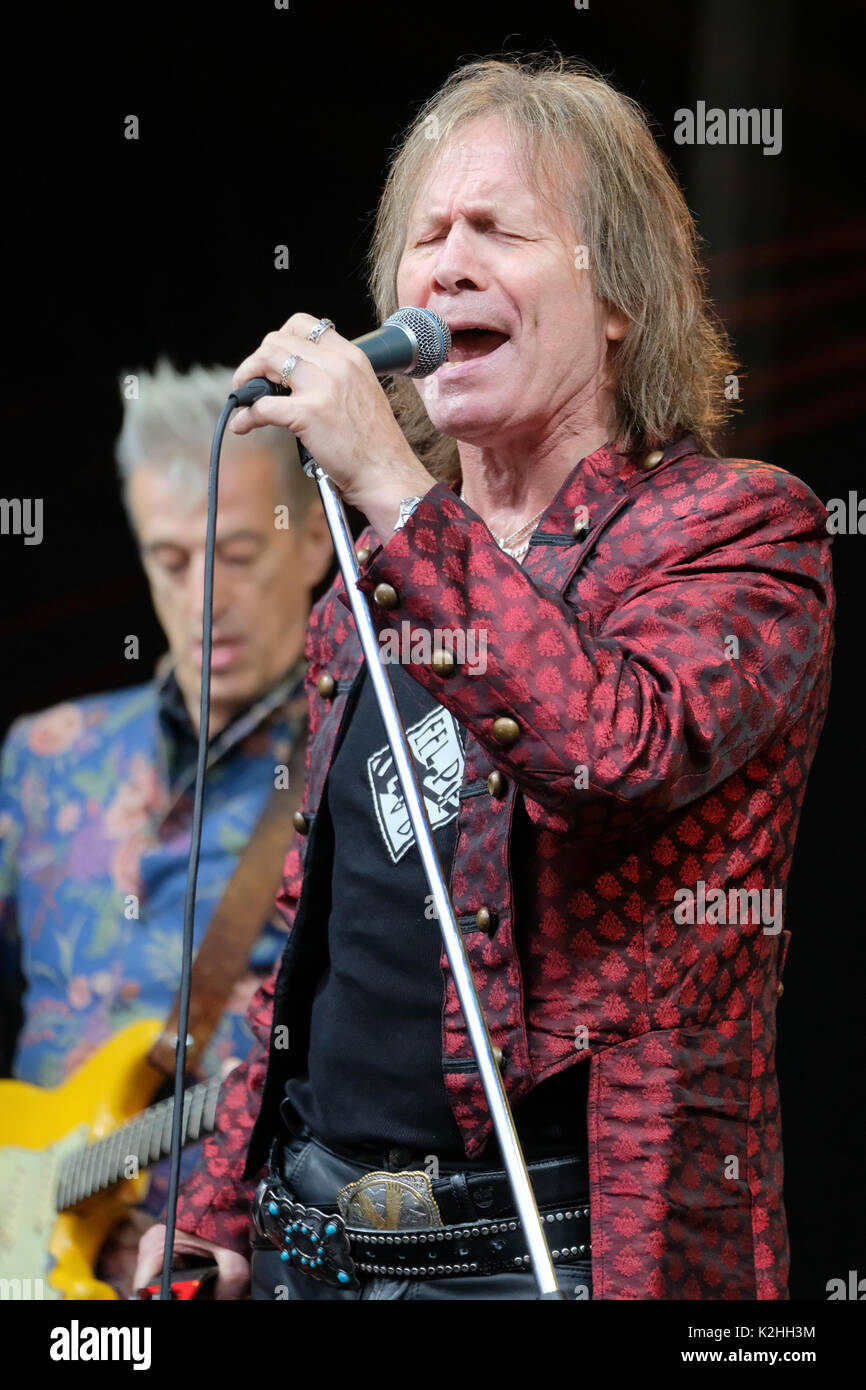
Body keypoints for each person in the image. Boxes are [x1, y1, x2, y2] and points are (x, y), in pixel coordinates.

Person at [135, 55, 834, 1301]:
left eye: (496, 230)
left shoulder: (732, 531)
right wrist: (211, 1211)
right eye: (424, 237)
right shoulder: (367, 583)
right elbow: (312, 938)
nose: (442, 266)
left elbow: (612, 752)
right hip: (316, 1243)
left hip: (557, 1250)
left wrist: (398, 496)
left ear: (615, 297)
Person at [0, 360, 333, 1294]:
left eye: (234, 556)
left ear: (310, 543)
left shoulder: (359, 768)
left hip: (231, 1265)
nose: (203, 600)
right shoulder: (45, 754)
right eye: (173, 561)